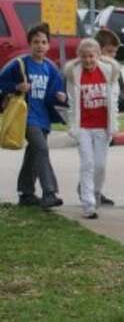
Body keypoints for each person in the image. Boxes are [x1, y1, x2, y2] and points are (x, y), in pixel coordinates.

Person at [0, 23, 66, 208]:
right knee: (42, 149)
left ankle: (26, 193)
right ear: (29, 44)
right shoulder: (19, 64)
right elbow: (2, 82)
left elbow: (57, 92)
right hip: (25, 117)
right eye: (36, 42)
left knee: (34, 153)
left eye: (43, 42)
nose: (40, 46)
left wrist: (61, 96)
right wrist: (16, 87)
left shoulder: (50, 68)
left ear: (48, 45)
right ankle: (49, 193)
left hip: (43, 118)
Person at [63, 38, 121, 219]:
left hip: (102, 127)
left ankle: (95, 192)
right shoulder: (74, 74)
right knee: (87, 164)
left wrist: (113, 124)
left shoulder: (109, 72)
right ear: (79, 56)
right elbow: (72, 103)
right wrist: (73, 126)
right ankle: (88, 203)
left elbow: (114, 100)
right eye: (84, 56)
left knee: (100, 165)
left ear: (98, 55)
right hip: (84, 127)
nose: (88, 60)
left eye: (91, 56)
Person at [96, 27, 124, 114]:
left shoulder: (115, 68)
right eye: (109, 51)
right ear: (97, 49)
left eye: (115, 52)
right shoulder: (90, 68)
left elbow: (121, 88)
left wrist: (119, 99)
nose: (113, 55)